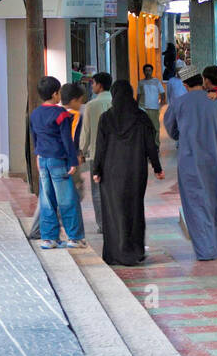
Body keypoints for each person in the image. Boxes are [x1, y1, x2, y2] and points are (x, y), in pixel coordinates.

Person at [163, 65, 217, 260]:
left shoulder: (179, 103)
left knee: (195, 204)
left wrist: (185, 135)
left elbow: (172, 129)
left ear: (185, 84)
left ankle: (205, 249)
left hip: (191, 161)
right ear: (201, 80)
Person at [92, 80, 164, 266]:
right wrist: (157, 168)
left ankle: (116, 253)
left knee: (113, 210)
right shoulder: (141, 118)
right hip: (135, 172)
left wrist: (96, 170)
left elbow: (101, 147)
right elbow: (151, 145)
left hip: (111, 172)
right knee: (134, 209)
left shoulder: (107, 118)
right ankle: (135, 251)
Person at [29, 76, 86, 250]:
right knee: (67, 199)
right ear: (55, 94)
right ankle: (74, 238)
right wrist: (72, 162)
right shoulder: (61, 114)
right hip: (58, 160)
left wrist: (38, 157)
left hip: (43, 160)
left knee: (47, 199)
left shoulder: (35, 113)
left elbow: (35, 138)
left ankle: (48, 238)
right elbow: (66, 140)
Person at [81, 72, 113, 233]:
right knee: (113, 188)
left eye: (93, 83)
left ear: (99, 85)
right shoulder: (116, 102)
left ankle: (102, 223)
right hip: (115, 154)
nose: (92, 86)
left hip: (96, 154)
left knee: (97, 191)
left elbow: (86, 132)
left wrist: (81, 151)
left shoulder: (91, 106)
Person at [61, 82, 87, 200]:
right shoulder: (75, 115)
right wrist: (77, 155)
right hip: (70, 158)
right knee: (75, 191)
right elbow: (73, 137)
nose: (81, 104)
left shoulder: (57, 113)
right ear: (73, 100)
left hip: (55, 157)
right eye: (80, 101)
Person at [137, 63, 165, 145]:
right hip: (143, 108)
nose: (148, 72)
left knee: (155, 127)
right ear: (143, 71)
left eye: (149, 70)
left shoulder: (156, 81)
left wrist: (161, 104)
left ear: (152, 71)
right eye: (146, 70)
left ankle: (156, 144)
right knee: (144, 128)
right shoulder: (141, 82)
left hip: (154, 108)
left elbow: (162, 93)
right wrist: (136, 105)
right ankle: (146, 145)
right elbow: (138, 94)